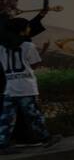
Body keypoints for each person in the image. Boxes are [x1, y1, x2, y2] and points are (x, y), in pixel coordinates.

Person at [1, 16, 60, 152]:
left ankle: (2, 144)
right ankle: (46, 139)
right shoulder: (28, 45)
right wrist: (44, 51)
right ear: (22, 30)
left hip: (9, 86)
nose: (29, 28)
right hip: (26, 87)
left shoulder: (2, 48)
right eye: (27, 26)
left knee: (7, 117)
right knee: (34, 115)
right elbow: (33, 65)